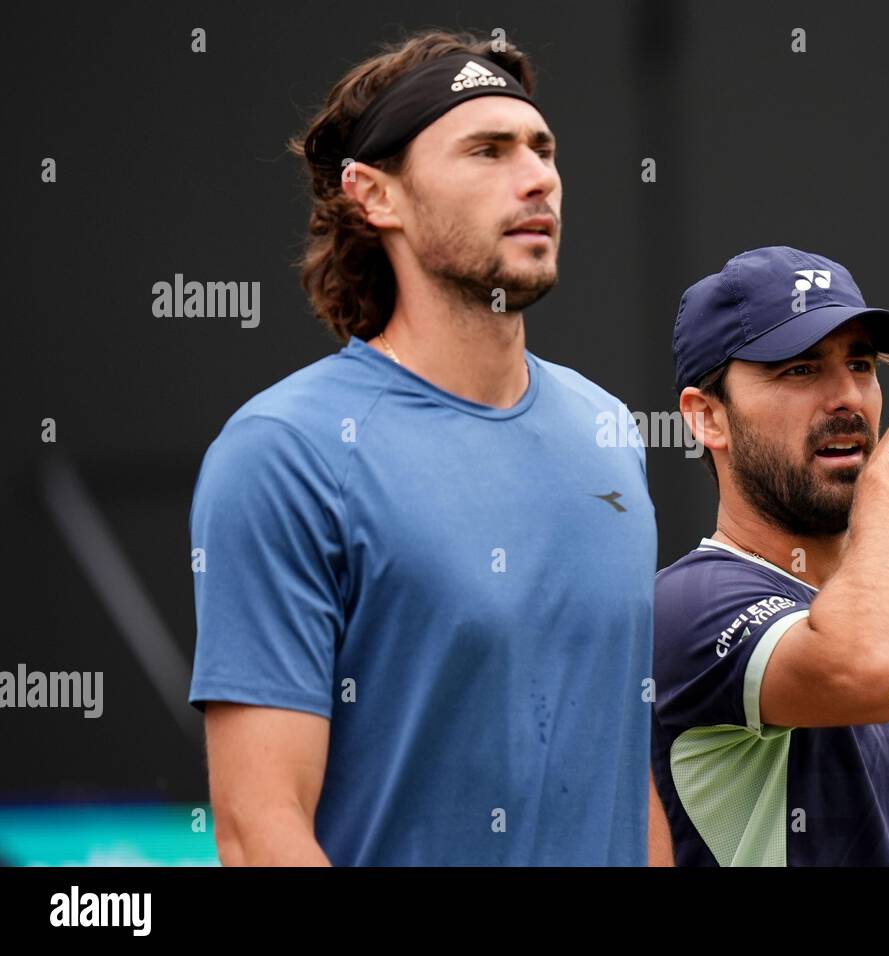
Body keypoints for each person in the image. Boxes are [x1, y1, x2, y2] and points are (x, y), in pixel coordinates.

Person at [188, 29, 668, 865]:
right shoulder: (282, 454)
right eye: (487, 150)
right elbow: (259, 832)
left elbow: (627, 779)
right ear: (376, 197)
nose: (537, 177)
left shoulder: (608, 430)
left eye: (542, 149)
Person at [650, 245, 889, 865]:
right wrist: (888, 477)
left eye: (862, 364)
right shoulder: (686, 607)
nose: (848, 396)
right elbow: (873, 671)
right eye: (799, 369)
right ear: (708, 417)